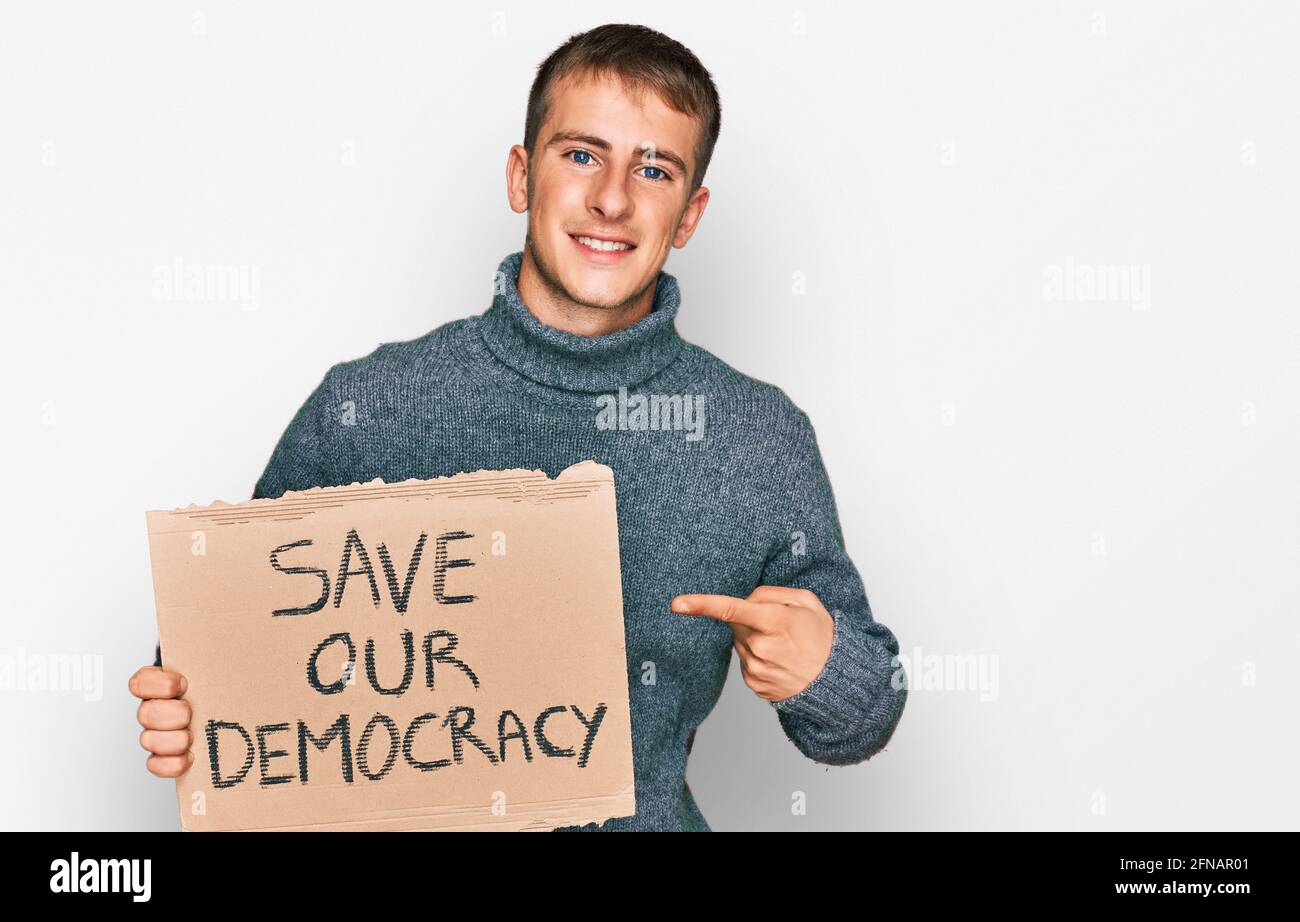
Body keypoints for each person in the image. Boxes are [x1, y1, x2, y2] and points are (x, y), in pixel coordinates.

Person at [129, 22, 907, 831]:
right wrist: (187, 702)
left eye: (653, 168)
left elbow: (863, 720)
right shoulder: (369, 407)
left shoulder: (755, 436)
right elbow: (246, 662)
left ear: (688, 215)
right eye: (581, 154)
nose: (612, 196)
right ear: (519, 175)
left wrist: (829, 671)